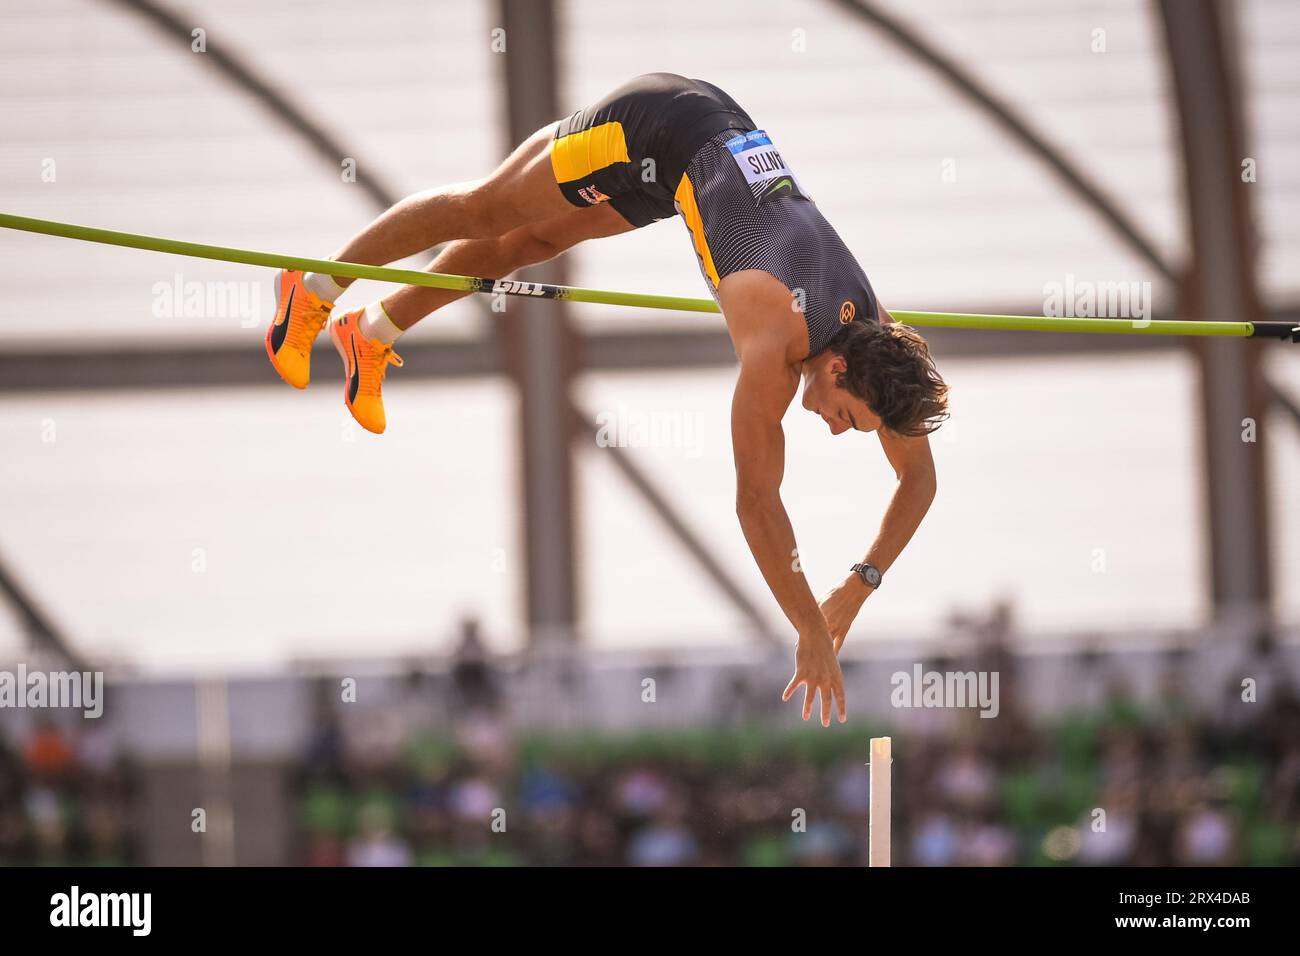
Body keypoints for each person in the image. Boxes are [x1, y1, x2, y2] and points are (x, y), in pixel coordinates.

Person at [264, 73, 949, 727]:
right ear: (838, 368)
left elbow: (917, 477)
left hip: (693, 163)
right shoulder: (773, 344)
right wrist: (809, 628)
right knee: (486, 210)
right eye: (849, 420)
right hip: (657, 127)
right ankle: (313, 288)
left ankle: (373, 332)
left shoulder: (874, 339)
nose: (836, 431)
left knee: (528, 243)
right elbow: (756, 503)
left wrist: (858, 585)